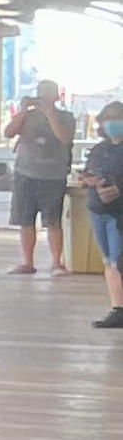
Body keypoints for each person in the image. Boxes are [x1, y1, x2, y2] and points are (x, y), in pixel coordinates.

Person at [7, 79, 77, 272]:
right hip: (25, 173)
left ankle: (56, 262)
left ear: (55, 97)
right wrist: (23, 110)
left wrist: (49, 113)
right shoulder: (27, 116)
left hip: (53, 175)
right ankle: (27, 262)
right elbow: (9, 132)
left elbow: (64, 137)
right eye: (40, 93)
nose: (43, 97)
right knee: (25, 220)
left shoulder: (66, 117)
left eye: (47, 93)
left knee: (53, 221)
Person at [87, 104, 123, 332]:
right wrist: (93, 180)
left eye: (116, 119)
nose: (111, 124)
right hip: (98, 209)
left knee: (119, 260)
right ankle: (117, 307)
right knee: (109, 260)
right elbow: (92, 170)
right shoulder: (99, 149)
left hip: (119, 212)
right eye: (107, 119)